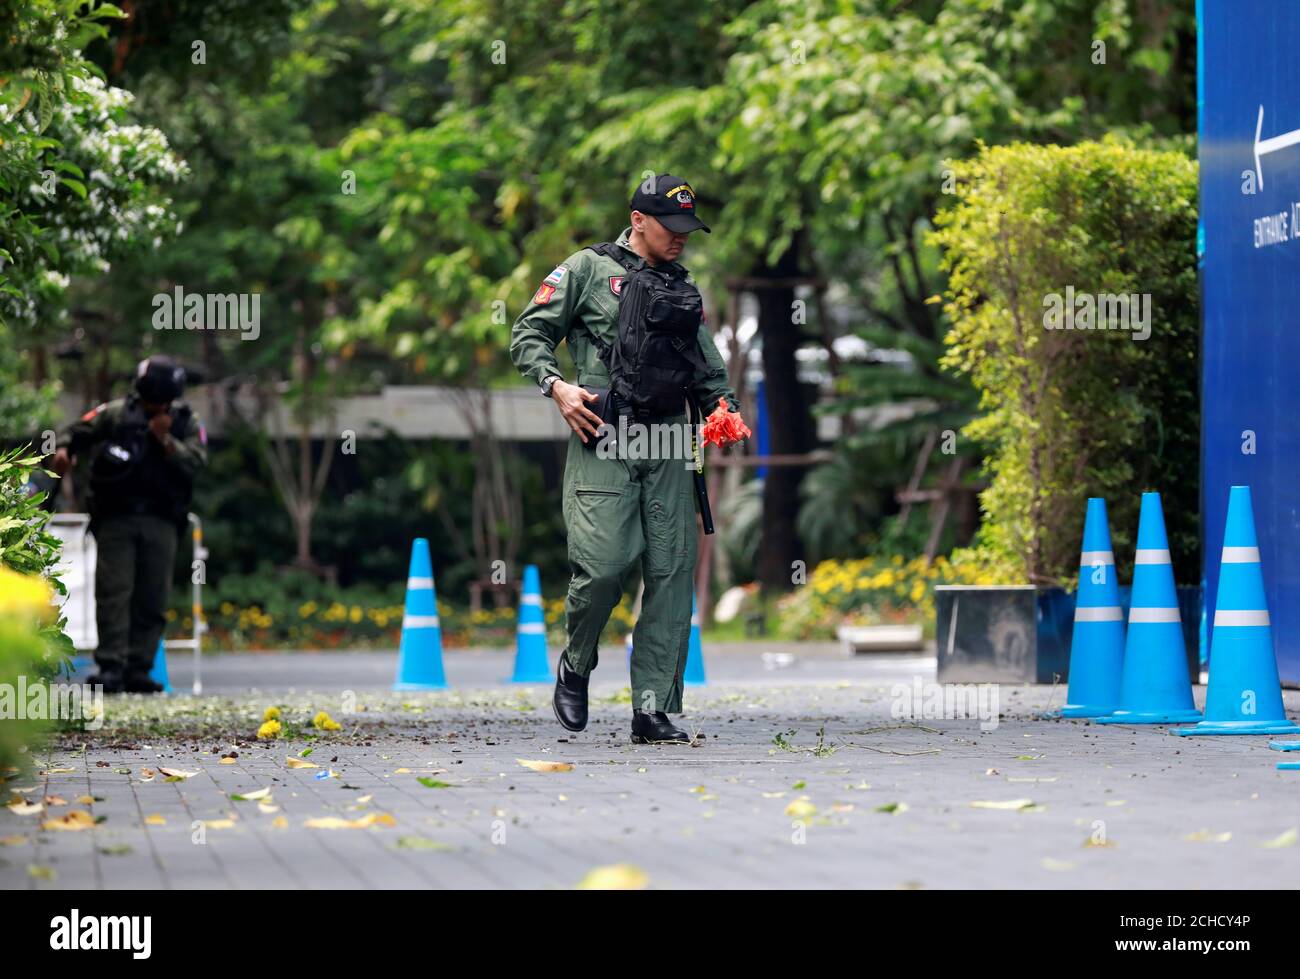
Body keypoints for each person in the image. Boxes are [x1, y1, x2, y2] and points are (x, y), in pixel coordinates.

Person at [510, 173, 747, 744]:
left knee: (669, 574)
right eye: (672, 226)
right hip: (606, 438)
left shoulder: (682, 287)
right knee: (605, 566)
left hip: (669, 445)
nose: (682, 238)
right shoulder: (588, 270)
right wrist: (556, 386)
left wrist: (724, 408)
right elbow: (528, 333)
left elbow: (708, 367)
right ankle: (577, 663)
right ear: (638, 220)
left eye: (690, 229)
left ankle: (652, 709)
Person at [52, 355, 207, 693]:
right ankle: (111, 668)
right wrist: (64, 449)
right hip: (116, 519)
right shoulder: (117, 413)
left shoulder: (185, 421)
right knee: (113, 593)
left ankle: (140, 669)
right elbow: (75, 430)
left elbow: (197, 461)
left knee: (152, 596)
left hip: (162, 521)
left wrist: (166, 441)